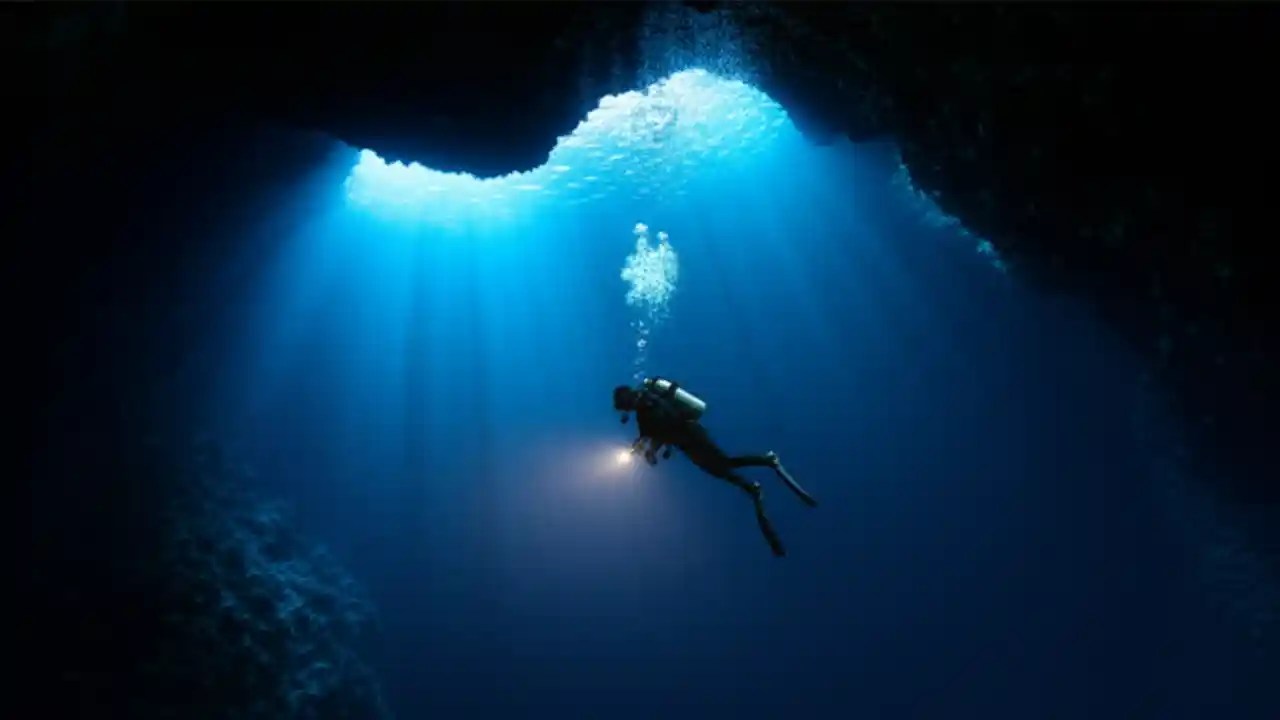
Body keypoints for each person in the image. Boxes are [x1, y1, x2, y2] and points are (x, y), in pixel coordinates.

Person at [612, 377, 817, 557]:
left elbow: (663, 426)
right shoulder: (643, 415)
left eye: (623, 406)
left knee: (724, 462)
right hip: (686, 445)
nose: (625, 410)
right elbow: (655, 434)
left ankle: (768, 460)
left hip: (691, 434)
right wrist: (649, 451)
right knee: (717, 471)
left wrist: (650, 448)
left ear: (627, 400)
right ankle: (751, 488)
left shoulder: (649, 401)